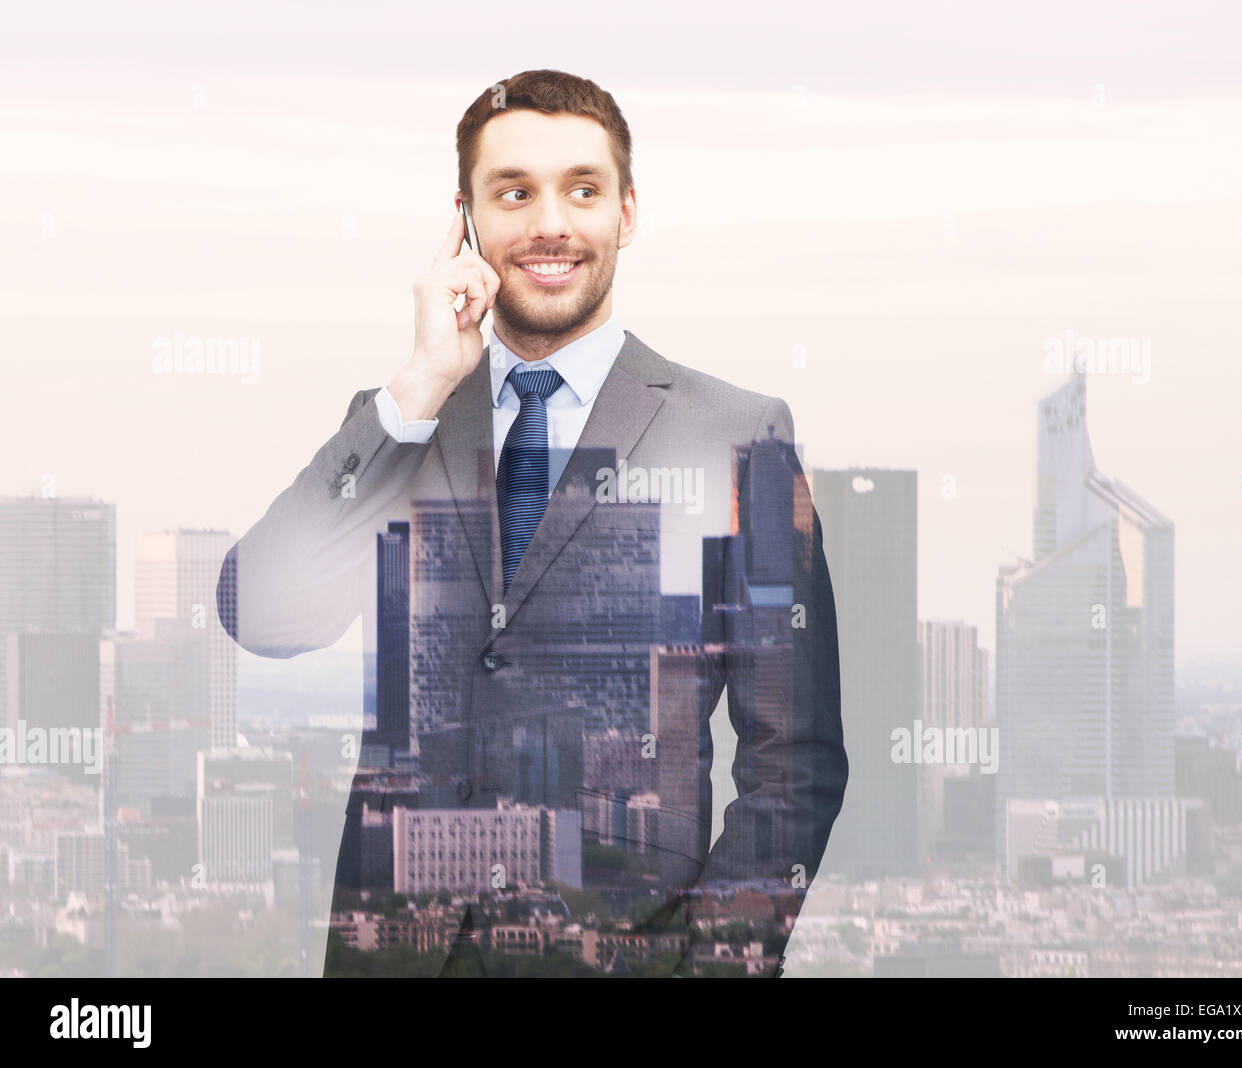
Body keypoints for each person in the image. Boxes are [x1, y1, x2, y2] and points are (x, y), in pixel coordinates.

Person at [218, 68, 847, 978]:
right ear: (466, 220)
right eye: (514, 193)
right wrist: (419, 386)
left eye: (581, 190)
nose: (550, 223)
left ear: (626, 213)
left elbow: (797, 762)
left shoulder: (736, 433)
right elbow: (263, 613)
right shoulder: (403, 420)